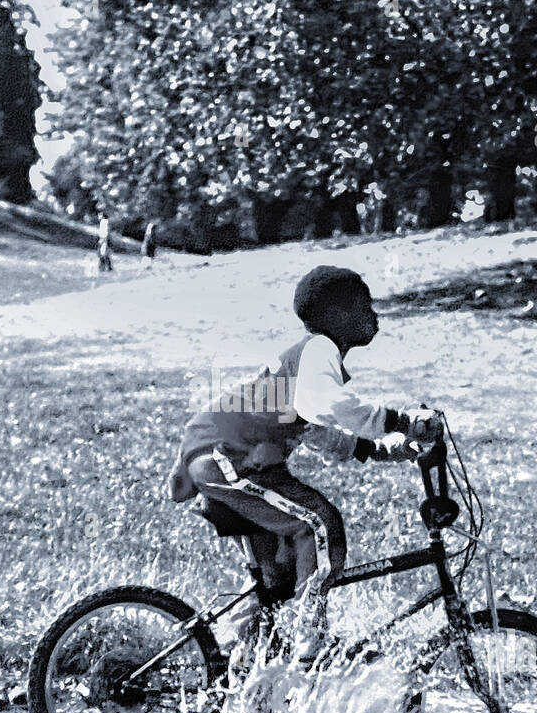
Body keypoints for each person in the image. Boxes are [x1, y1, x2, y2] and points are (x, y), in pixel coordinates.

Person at [165, 266, 440, 669]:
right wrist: (402, 421)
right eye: (366, 306)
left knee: (277, 577)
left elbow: (315, 430)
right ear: (338, 315)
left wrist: (383, 450)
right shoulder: (319, 349)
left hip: (235, 457)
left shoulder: (308, 362)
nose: (375, 315)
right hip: (228, 455)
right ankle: (312, 644)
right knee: (318, 524)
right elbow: (323, 406)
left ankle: (244, 664)